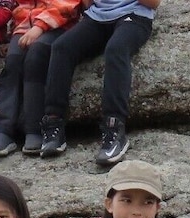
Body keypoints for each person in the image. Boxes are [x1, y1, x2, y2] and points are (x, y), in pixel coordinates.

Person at [37, 0, 155, 164]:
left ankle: (114, 128)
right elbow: (87, 4)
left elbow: (153, 3)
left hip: (135, 16)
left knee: (116, 49)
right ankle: (54, 122)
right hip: (97, 16)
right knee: (61, 47)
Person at [0, 0, 80, 158]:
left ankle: (34, 129)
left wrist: (39, 27)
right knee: (13, 61)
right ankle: (3, 130)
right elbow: (16, 6)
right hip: (24, 27)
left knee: (35, 56)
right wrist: (8, 36)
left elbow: (67, 5)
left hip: (60, 25)